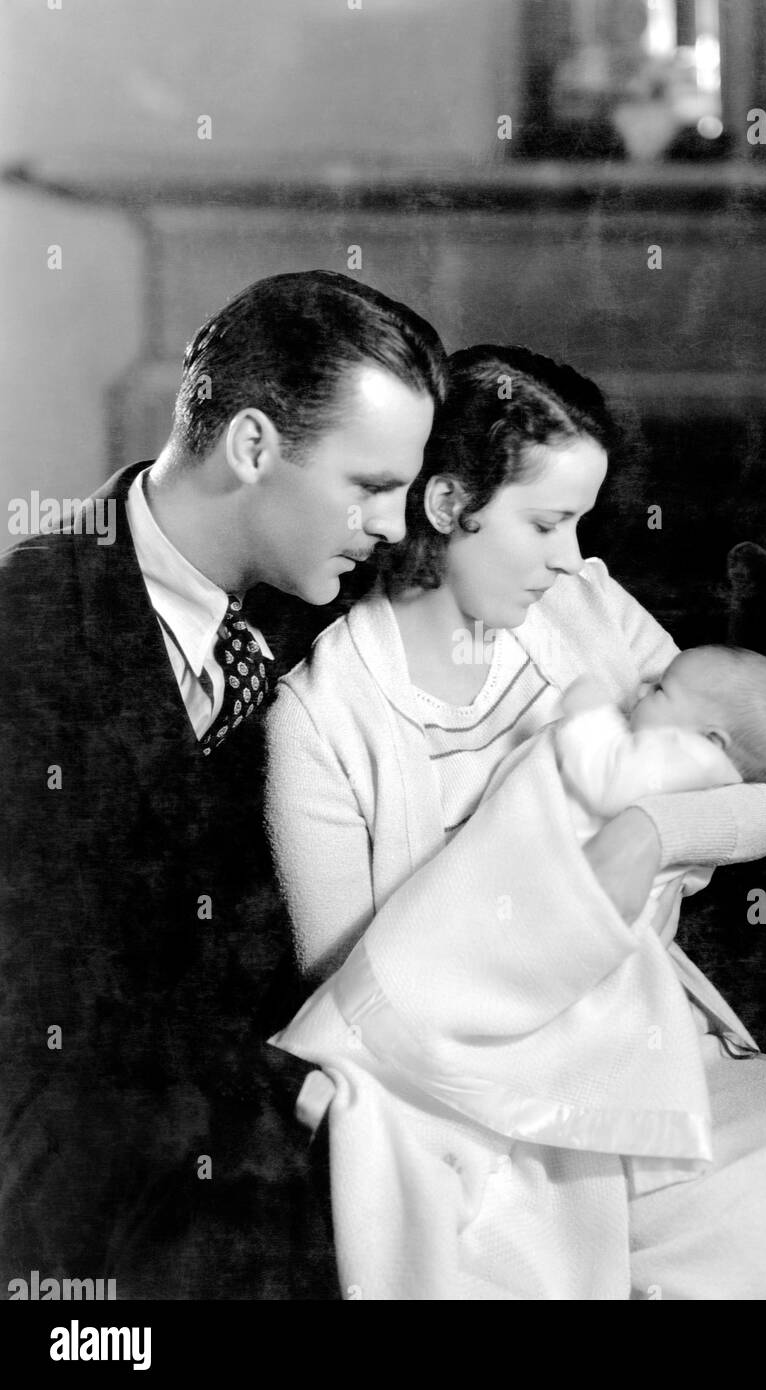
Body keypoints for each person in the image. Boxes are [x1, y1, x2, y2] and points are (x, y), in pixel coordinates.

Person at [266, 344, 766, 1300]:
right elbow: (358, 989)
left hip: (648, 1061)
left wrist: (647, 834)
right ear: (449, 506)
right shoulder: (323, 718)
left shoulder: (585, 611)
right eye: (547, 523)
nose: (572, 556)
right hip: (471, 1110)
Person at [0, 269, 445, 1298]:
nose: (391, 525)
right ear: (252, 446)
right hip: (100, 1165)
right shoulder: (27, 641)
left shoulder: (332, 606)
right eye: (370, 485)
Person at [556, 645, 766, 947]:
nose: (639, 690)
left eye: (660, 689)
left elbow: (608, 784)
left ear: (710, 740)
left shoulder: (690, 758)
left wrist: (589, 714)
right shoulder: (715, 773)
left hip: (584, 911)